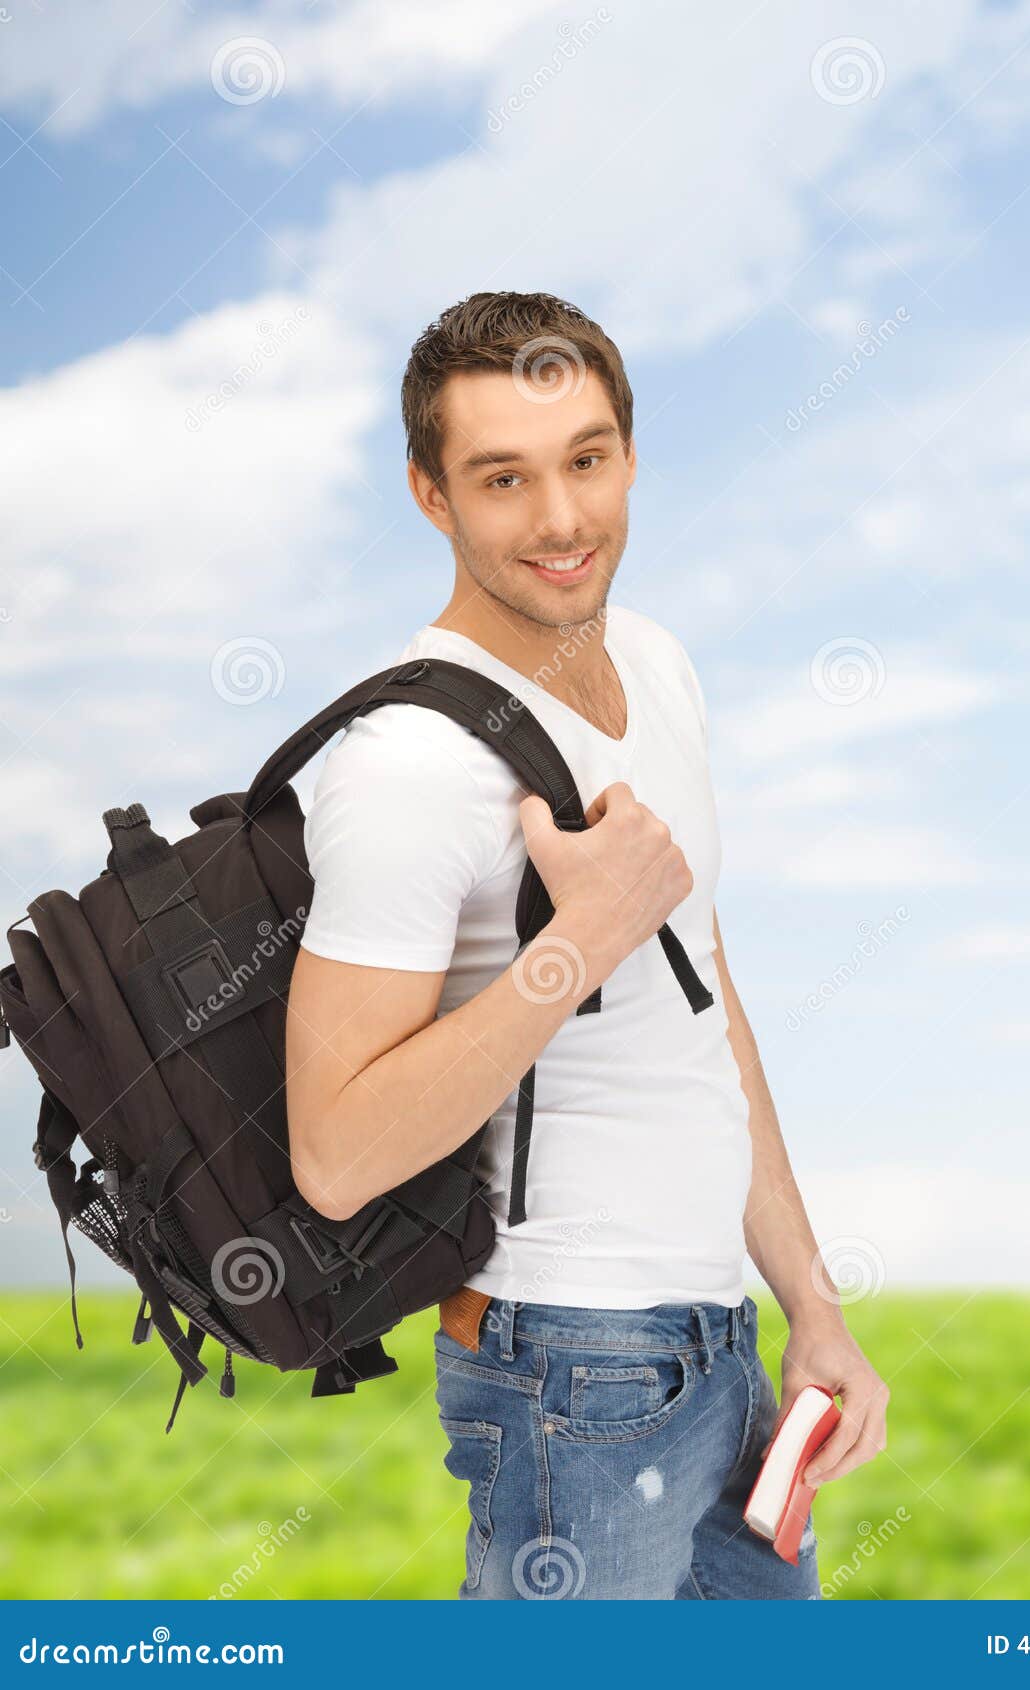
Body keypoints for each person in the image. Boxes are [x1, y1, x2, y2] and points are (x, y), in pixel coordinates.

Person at [286, 291, 889, 1600]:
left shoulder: (659, 667)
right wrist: (579, 941)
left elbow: (701, 1007)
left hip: (720, 1347)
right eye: (503, 477)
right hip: (563, 1364)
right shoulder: (408, 764)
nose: (560, 519)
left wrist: (809, 1301)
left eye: (587, 459)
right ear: (430, 495)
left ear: (627, 453)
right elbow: (335, 1154)